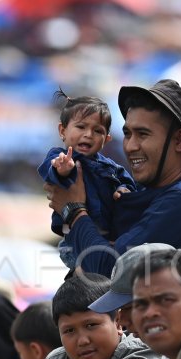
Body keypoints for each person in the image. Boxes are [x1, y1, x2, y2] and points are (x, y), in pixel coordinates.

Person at [46, 79, 181, 276]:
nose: (130, 146)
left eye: (143, 134)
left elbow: (109, 270)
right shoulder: (147, 190)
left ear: (179, 141)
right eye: (127, 134)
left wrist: (73, 209)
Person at [38, 89, 136, 269]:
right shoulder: (60, 157)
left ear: (106, 139)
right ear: (62, 130)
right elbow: (48, 172)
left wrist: (124, 189)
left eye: (97, 130)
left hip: (106, 235)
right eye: (81, 127)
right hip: (75, 241)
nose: (89, 134)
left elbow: (127, 180)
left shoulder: (109, 165)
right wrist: (63, 171)